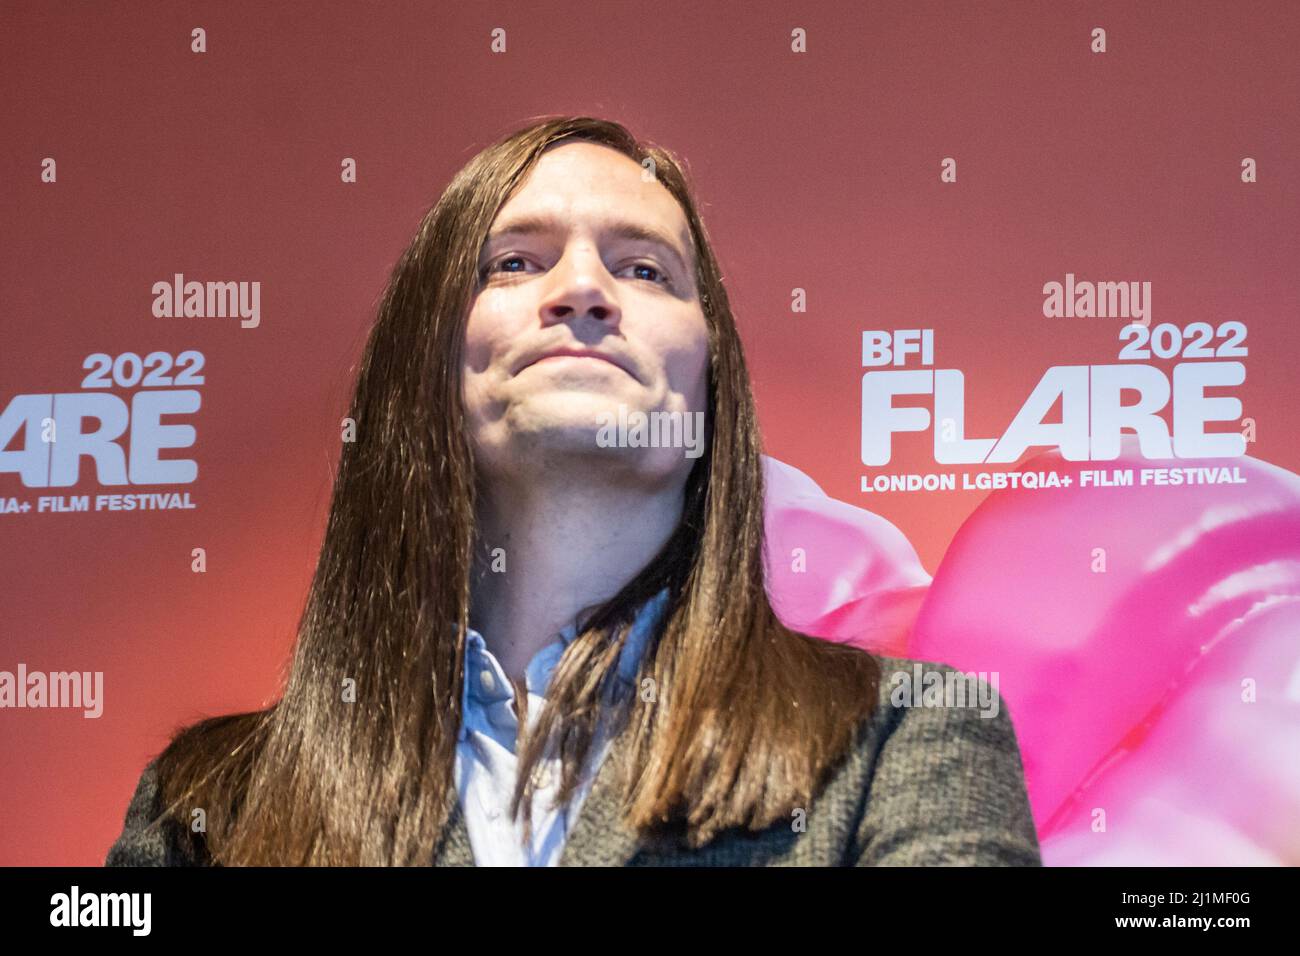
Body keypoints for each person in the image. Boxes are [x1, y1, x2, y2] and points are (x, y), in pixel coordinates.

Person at [105, 116, 1041, 867]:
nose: (584, 290)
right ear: (421, 363)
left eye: (645, 269)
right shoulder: (205, 808)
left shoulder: (906, 742)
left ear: (711, 390)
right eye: (516, 261)